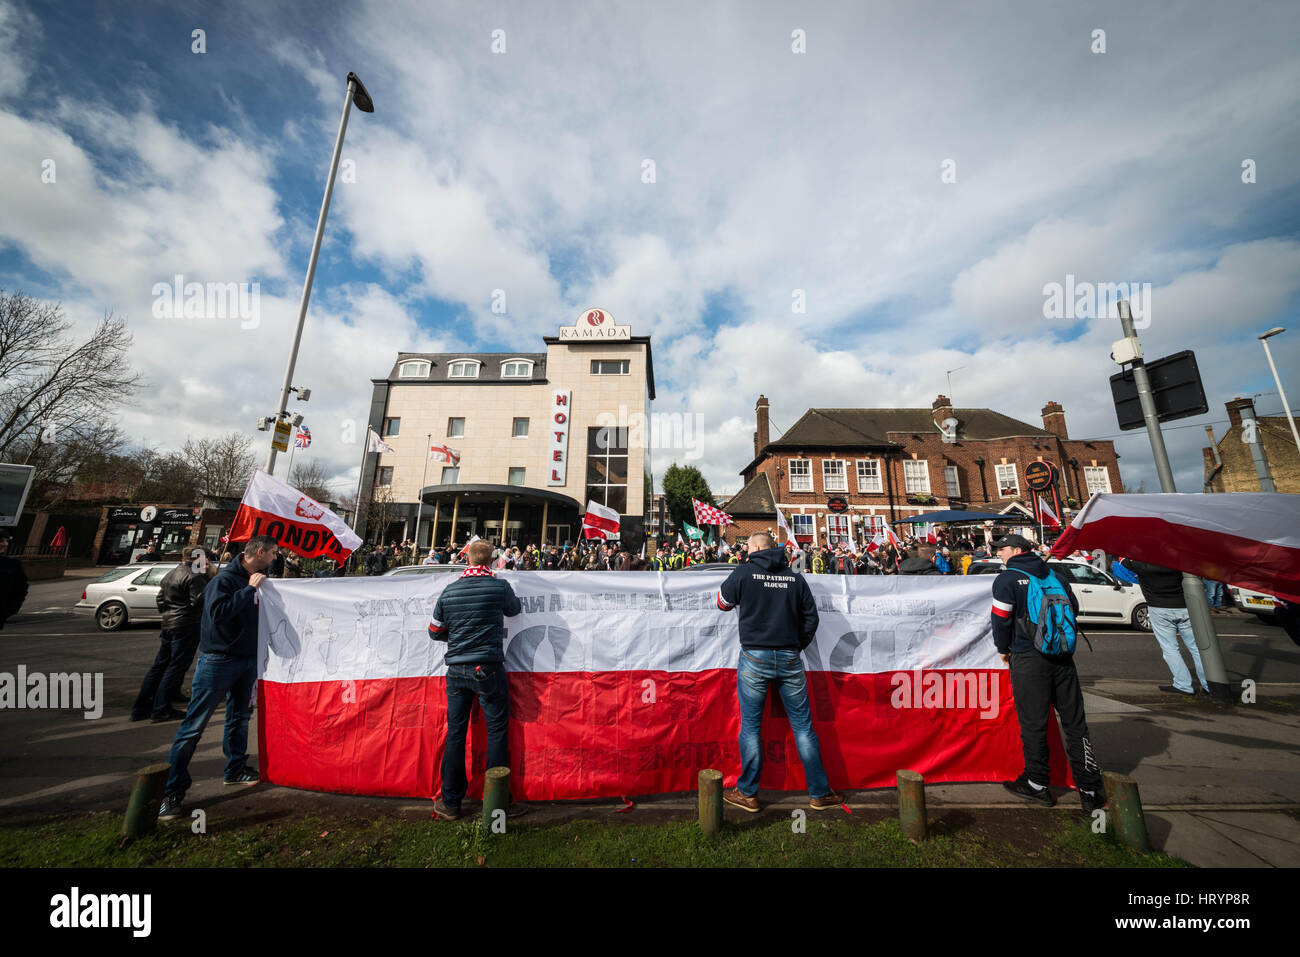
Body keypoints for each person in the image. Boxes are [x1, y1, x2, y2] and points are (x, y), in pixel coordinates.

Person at [716, 532, 842, 813]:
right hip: (788, 657)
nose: (745, 547)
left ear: (759, 547)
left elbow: (722, 603)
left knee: (750, 727)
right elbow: (812, 617)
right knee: (803, 726)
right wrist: (796, 645)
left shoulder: (744, 572)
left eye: (747, 544)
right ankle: (819, 792)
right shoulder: (794, 577)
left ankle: (748, 793)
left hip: (754, 657)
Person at [158, 536, 280, 820]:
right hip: (219, 660)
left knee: (239, 717)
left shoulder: (261, 578)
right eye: (273, 553)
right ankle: (172, 791)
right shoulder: (224, 581)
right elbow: (218, 614)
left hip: (247, 660)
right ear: (259, 552)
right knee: (194, 725)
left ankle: (236, 768)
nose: (275, 558)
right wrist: (247, 592)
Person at [990, 534, 1106, 813]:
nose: (999, 554)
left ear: (1017, 550)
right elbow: (1074, 610)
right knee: (1076, 724)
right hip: (1063, 658)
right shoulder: (1056, 575)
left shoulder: (1006, 579)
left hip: (1028, 658)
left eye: (1002, 549)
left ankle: (1038, 784)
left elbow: (1000, 620)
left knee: (1034, 723)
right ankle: (1091, 790)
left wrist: (1003, 649)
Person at [427, 540, 524, 820]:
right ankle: (497, 802)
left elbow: (434, 632)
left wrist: (457, 637)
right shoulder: (498, 587)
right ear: (492, 560)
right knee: (496, 732)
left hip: (456, 669)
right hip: (489, 668)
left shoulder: (449, 590)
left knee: (456, 734)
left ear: (466, 559)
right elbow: (514, 609)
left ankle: (451, 802)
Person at [131, 551, 212, 722]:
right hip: (186, 624)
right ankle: (161, 709)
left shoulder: (171, 573)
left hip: (169, 623)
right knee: (176, 666)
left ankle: (141, 707)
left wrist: (168, 613)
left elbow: (160, 599)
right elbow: (199, 601)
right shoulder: (196, 576)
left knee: (160, 665)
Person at [1119, 558, 1210, 695]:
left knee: (1170, 648)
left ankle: (1183, 684)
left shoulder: (1141, 565)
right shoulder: (1177, 562)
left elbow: (1122, 559)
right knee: (1196, 648)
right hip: (1184, 606)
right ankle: (1209, 684)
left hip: (1158, 608)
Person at [0, 530, 28, 630]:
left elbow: (21, 589)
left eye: (6, 541)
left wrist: (7, 611)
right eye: (1, 541)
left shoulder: (12, 564)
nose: (4, 544)